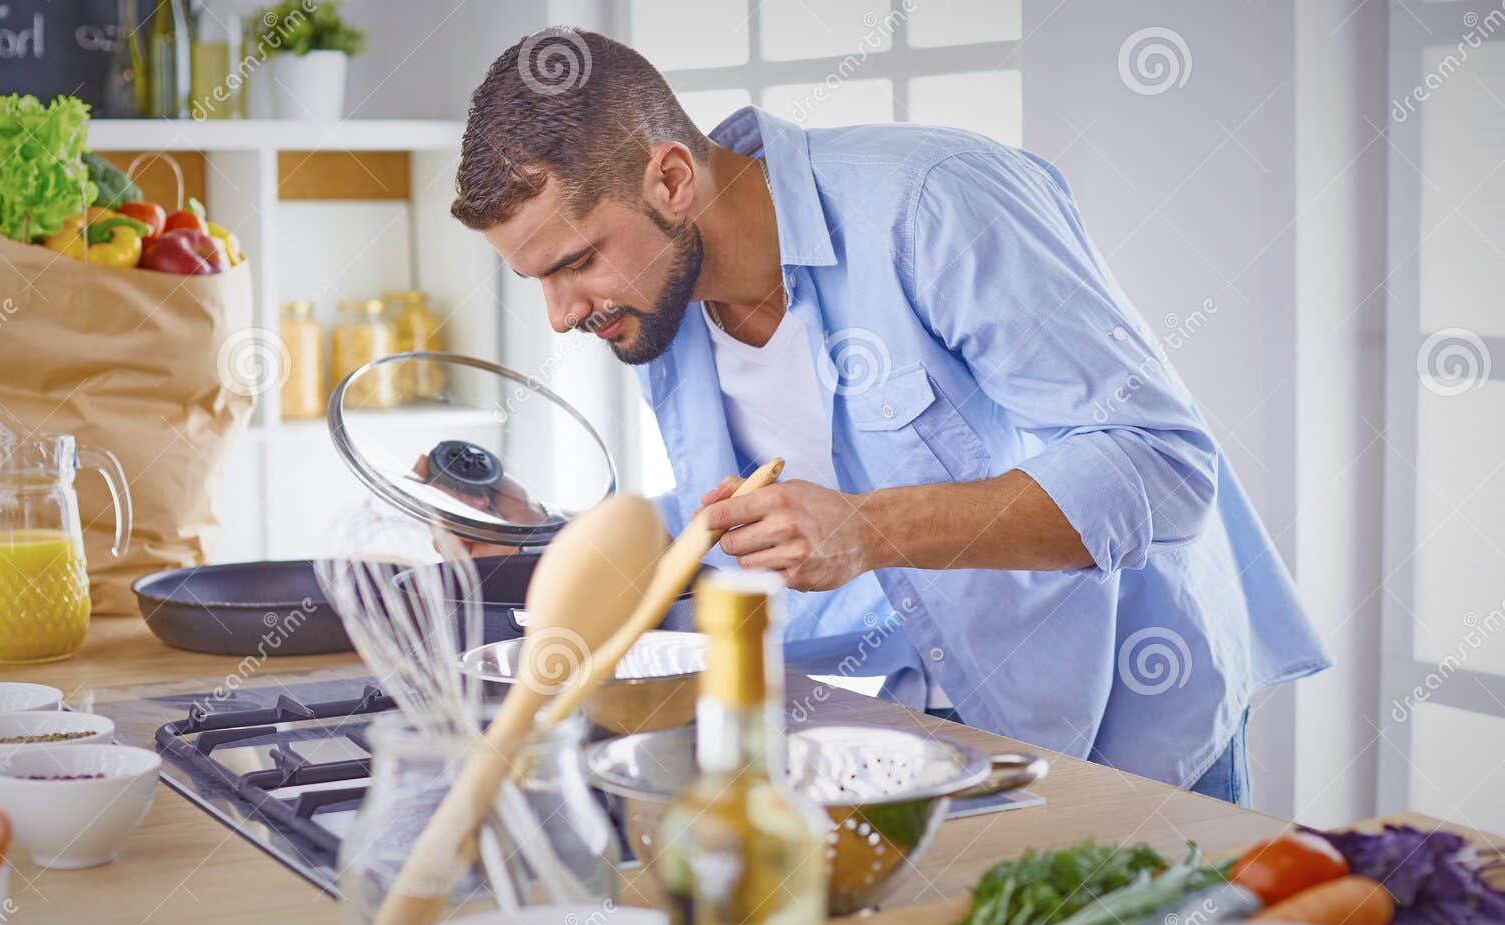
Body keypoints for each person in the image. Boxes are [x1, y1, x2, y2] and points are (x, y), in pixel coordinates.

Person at [447, 29, 1329, 804]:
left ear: (671, 180)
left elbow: (1161, 469)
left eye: (576, 263)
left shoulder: (932, 200)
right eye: (539, 282)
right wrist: (550, 541)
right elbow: (756, 511)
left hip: (1138, 714)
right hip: (958, 723)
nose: (563, 314)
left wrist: (871, 530)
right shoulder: (662, 305)